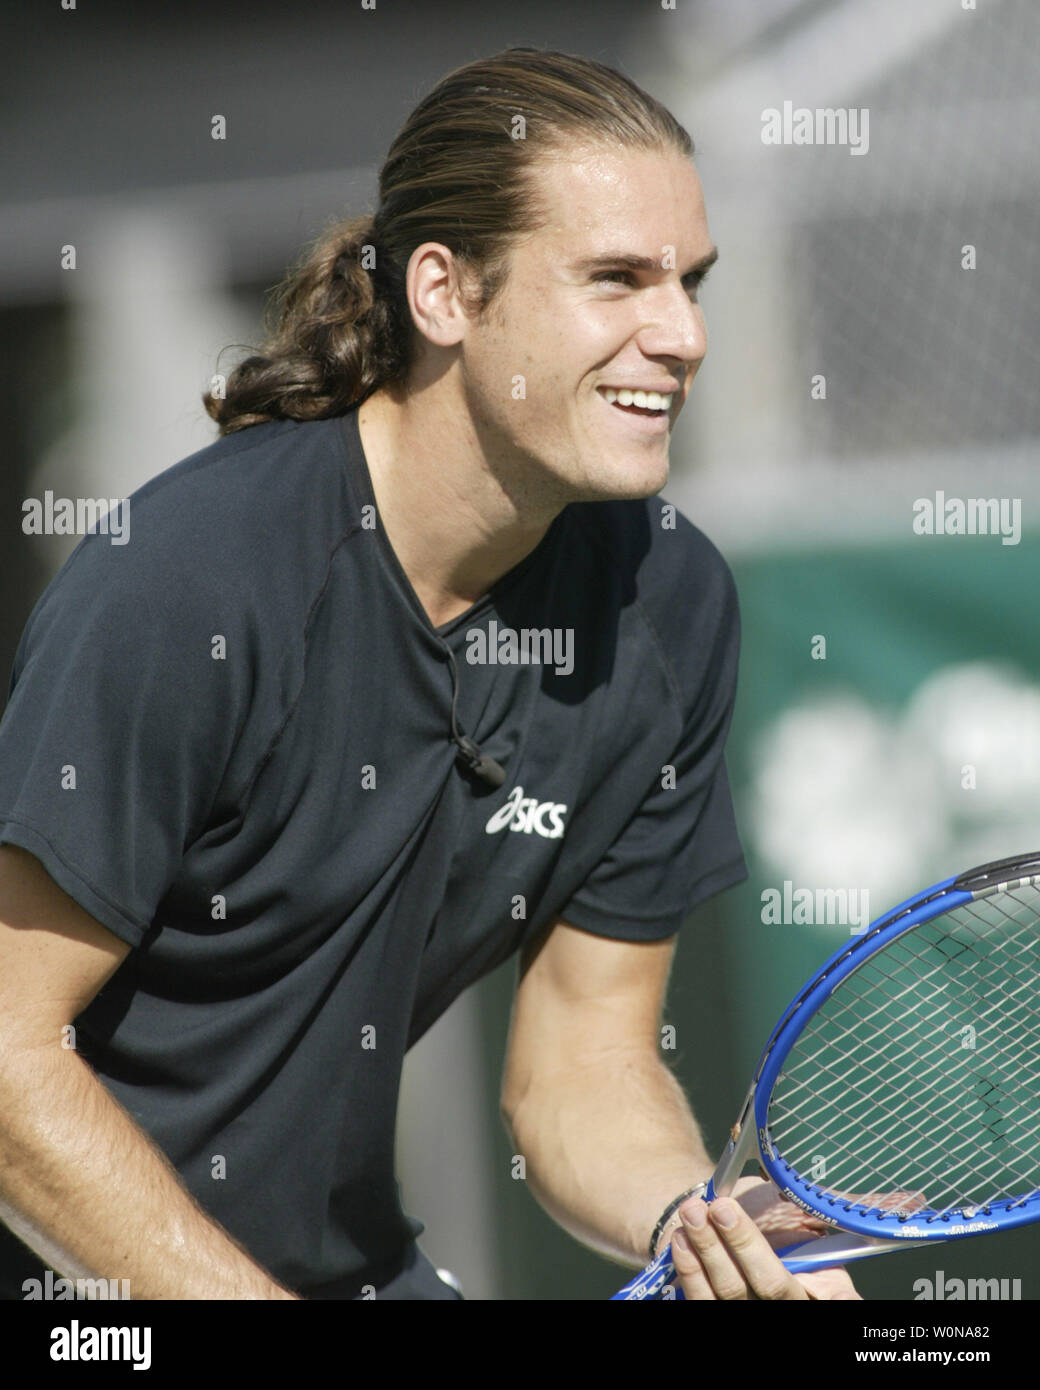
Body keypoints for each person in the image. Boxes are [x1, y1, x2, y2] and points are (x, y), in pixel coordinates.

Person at [0, 47, 858, 1301]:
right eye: (615, 278)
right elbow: (11, 1057)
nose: (679, 335)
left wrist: (696, 1222)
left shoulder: (667, 600)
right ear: (446, 294)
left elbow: (579, 1067)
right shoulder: (190, 580)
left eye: (689, 281)